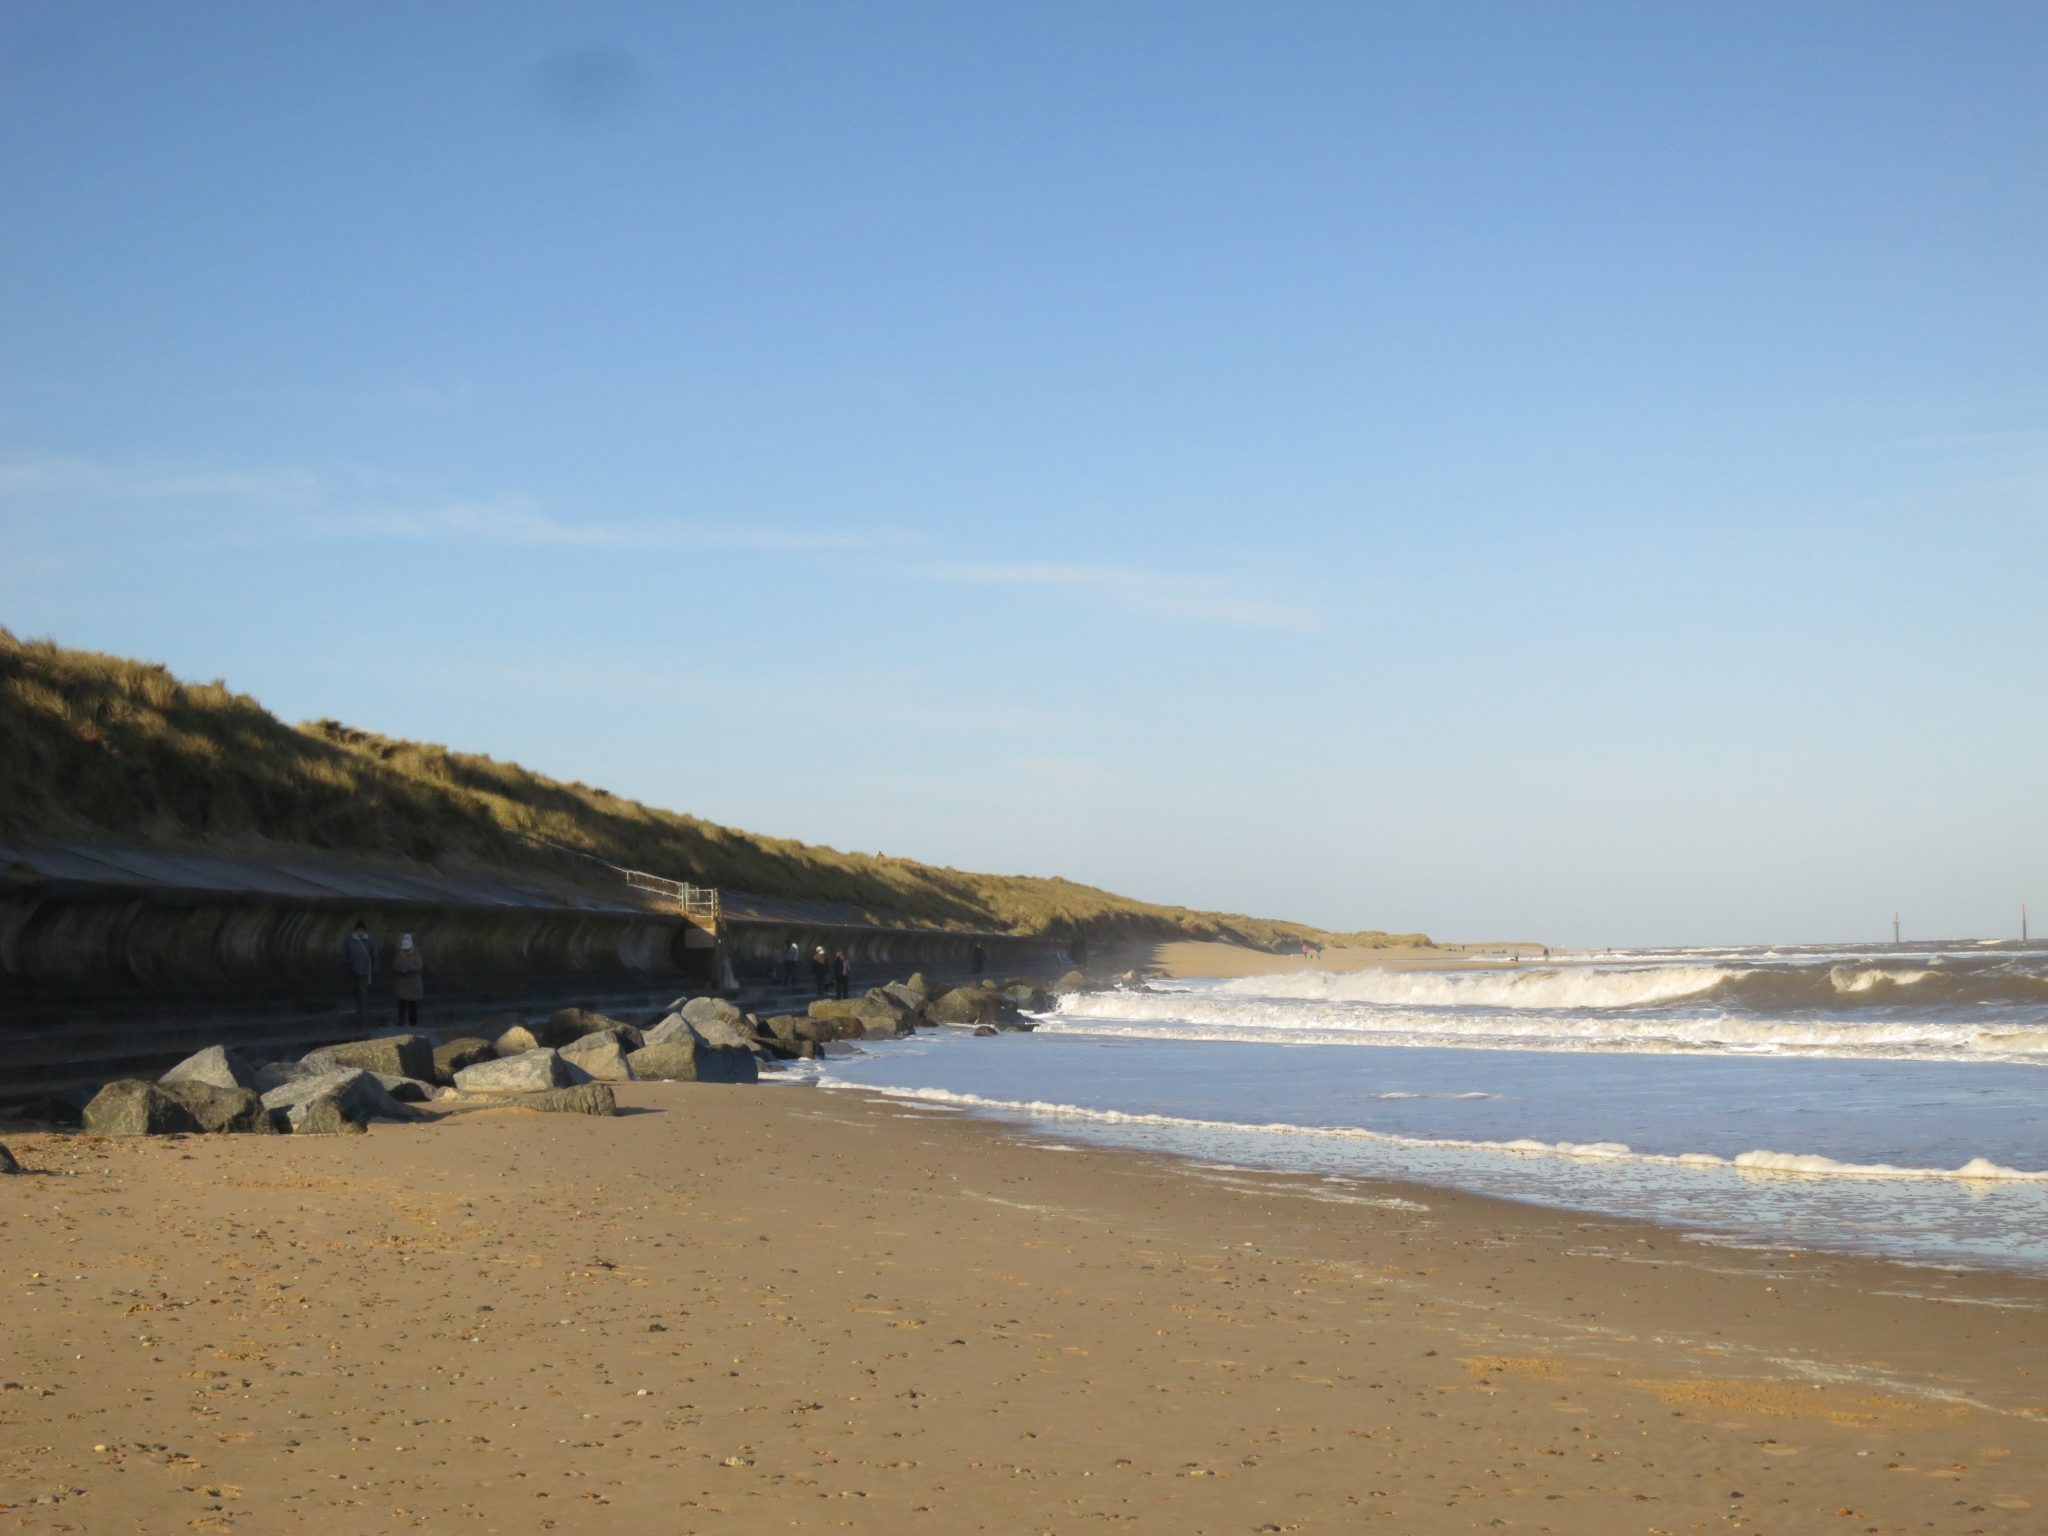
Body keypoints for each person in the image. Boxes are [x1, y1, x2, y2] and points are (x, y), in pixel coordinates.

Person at [343, 919, 375, 1025]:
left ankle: (362, 1010)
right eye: (358, 930)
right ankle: (358, 1006)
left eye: (362, 930)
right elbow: (345, 954)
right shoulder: (349, 941)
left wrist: (374, 968)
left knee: (362, 990)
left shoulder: (370, 941)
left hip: (365, 970)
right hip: (353, 969)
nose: (360, 932)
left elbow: (374, 955)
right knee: (354, 989)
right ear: (355, 930)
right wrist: (347, 964)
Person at [392, 932, 424, 1029]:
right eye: (405, 949)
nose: (406, 951)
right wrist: (401, 969)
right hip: (402, 984)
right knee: (402, 1004)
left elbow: (419, 967)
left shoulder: (417, 955)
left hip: (413, 983)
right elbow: (395, 966)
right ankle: (401, 1021)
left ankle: (413, 1023)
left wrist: (408, 968)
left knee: (413, 1005)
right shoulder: (399, 956)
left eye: (408, 949)